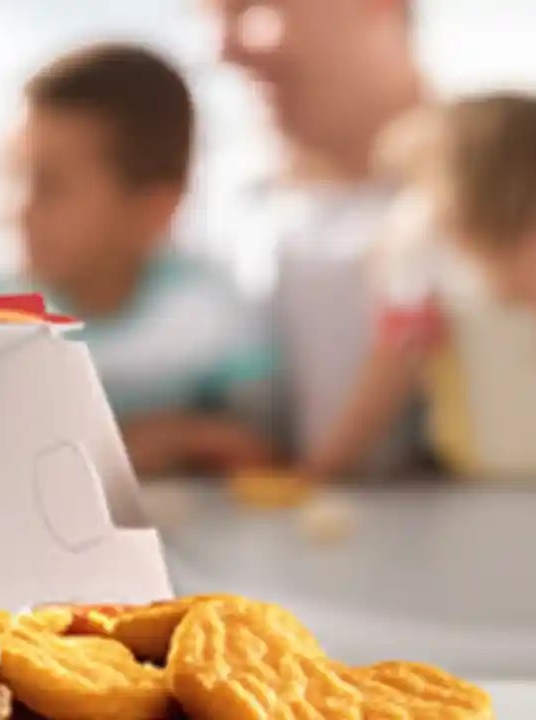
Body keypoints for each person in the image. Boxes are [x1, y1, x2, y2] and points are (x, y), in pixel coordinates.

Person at [0, 44, 274, 477]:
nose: (17, 207)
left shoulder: (206, 311)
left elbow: (257, 446)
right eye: (11, 174)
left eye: (50, 185)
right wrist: (138, 444)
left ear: (152, 210)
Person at [209, 0, 427, 474]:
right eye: (211, 19)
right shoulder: (214, 218)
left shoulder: (518, 196)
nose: (222, 50)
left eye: (251, 7)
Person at [307, 96, 536, 478]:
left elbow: (385, 376)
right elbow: (388, 374)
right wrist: (321, 470)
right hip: (477, 485)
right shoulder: (434, 283)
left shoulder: (431, 264)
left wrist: (318, 470)